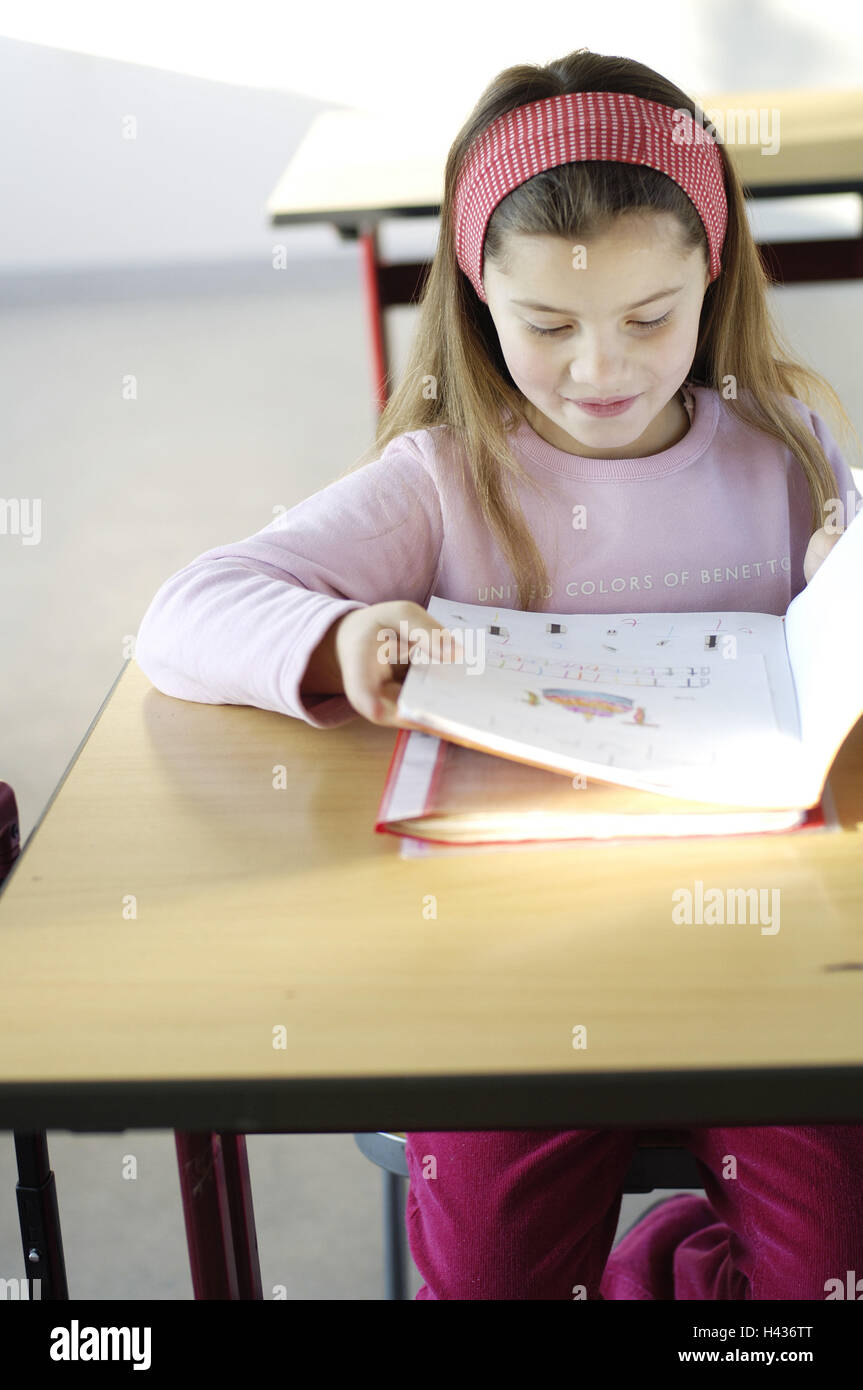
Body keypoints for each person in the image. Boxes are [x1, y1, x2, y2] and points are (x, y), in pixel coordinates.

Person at [135, 47, 863, 1299]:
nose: (601, 371)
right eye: (546, 325)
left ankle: (671, 1271)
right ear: (477, 297)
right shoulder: (444, 476)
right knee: (486, 1276)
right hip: (508, 967)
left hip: (757, 954)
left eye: (649, 318)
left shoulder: (786, 444)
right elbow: (182, 610)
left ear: (712, 277)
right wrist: (337, 640)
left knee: (832, 1272)